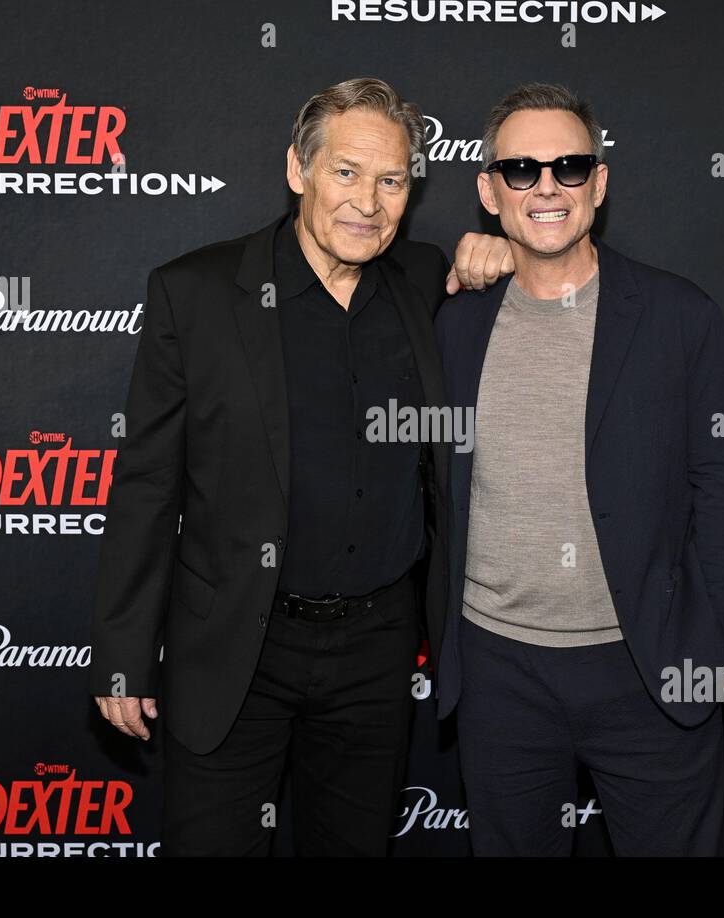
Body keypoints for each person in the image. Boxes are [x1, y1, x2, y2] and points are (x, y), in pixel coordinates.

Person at [88, 77, 511, 855]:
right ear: (298, 170)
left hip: (378, 649)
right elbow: (148, 484)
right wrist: (121, 654)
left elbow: (529, 260)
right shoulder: (196, 293)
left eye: (391, 180)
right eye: (346, 173)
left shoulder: (423, 279)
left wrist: (501, 247)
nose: (368, 202)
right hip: (237, 645)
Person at [433, 82, 724, 856]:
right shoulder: (453, 317)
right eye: (520, 170)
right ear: (488, 190)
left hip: (649, 666)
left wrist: (717, 644)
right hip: (497, 675)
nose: (546, 186)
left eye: (570, 166)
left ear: (600, 183)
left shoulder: (681, 316)